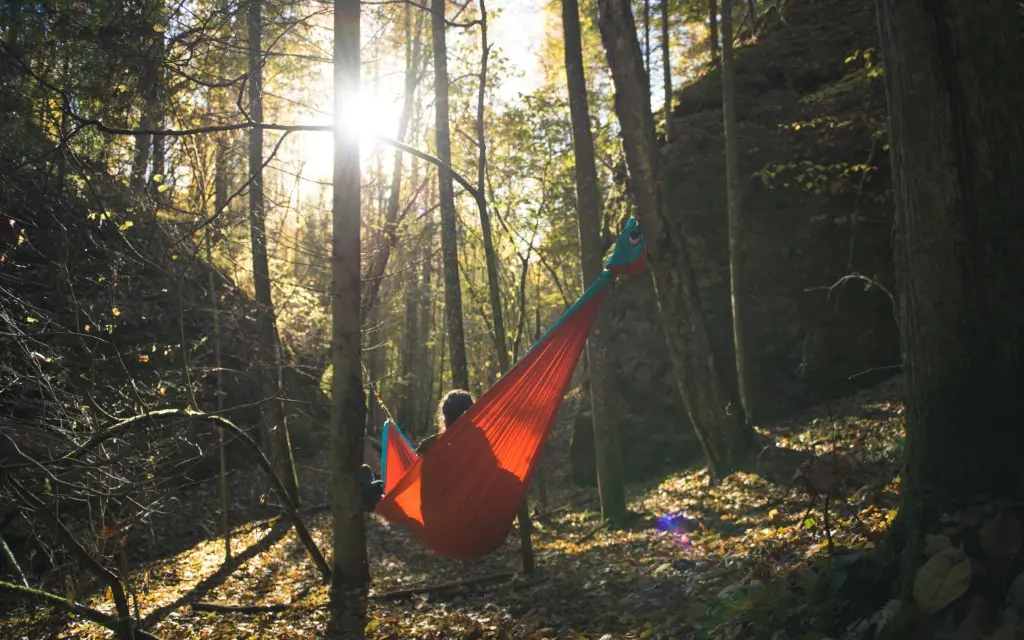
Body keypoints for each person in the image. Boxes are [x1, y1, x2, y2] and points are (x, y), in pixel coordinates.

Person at [359, 389, 475, 512]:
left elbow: (417, 483)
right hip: (472, 510)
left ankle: (374, 496)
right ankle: (375, 493)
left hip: (439, 512)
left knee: (386, 490)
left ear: (445, 420)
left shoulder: (434, 448)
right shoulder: (484, 442)